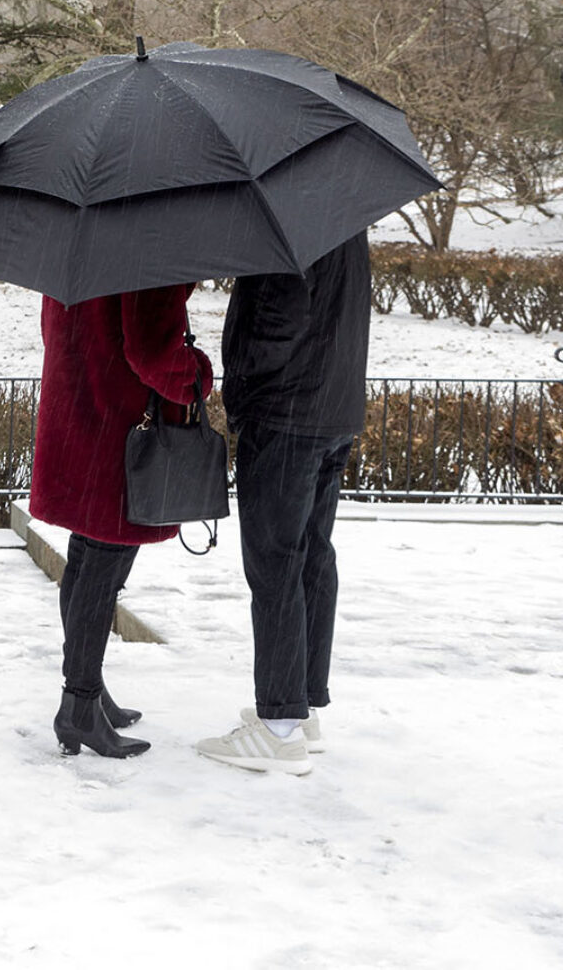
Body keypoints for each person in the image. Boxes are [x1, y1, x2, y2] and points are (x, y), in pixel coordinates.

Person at [198, 230, 372, 777]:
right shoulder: (343, 218)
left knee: (276, 565)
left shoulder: (292, 225)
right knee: (311, 557)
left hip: (286, 414)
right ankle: (300, 706)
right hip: (332, 407)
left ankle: (278, 729)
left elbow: (279, 318)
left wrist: (240, 385)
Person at [30, 284, 214, 759]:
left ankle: (86, 689)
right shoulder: (148, 249)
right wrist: (198, 373)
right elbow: (152, 352)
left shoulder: (84, 243)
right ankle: (80, 703)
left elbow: (56, 329)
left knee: (86, 558)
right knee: (103, 568)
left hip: (78, 412)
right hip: (118, 429)